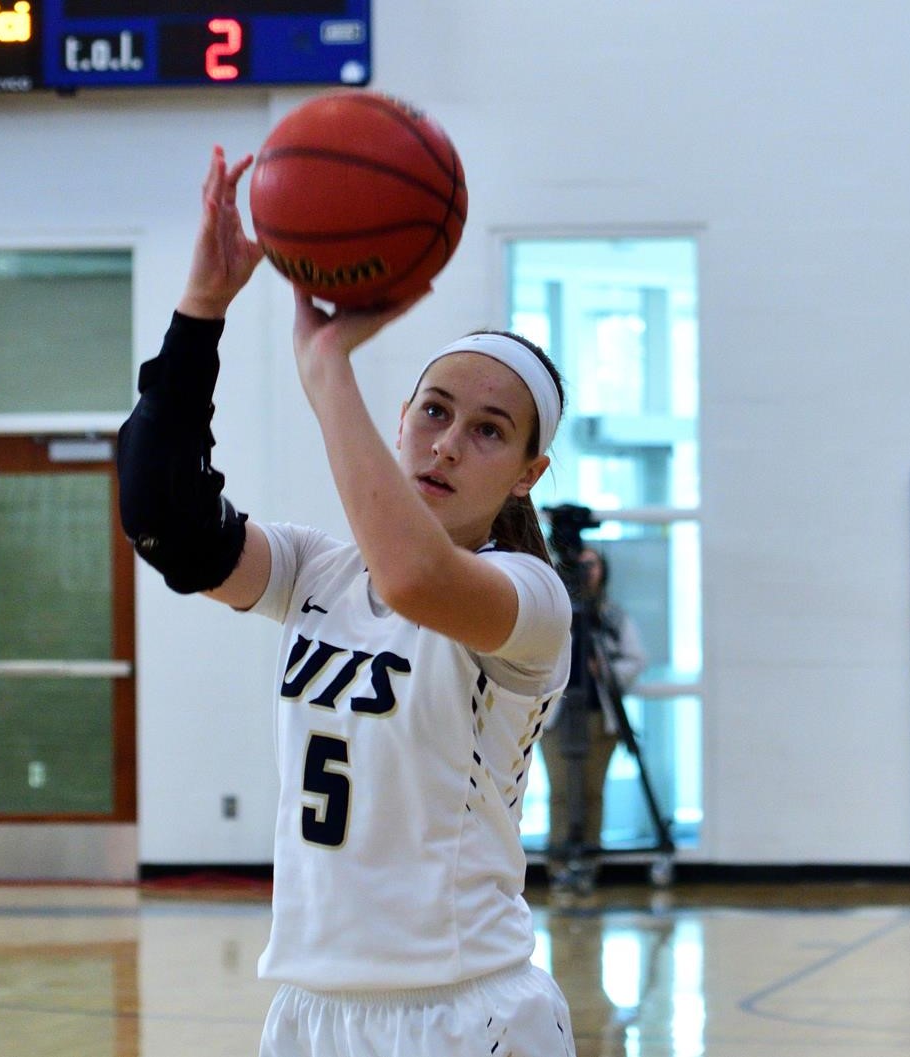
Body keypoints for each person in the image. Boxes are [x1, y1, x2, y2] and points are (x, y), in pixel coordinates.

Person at [118, 146, 576, 1057]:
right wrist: (202, 308)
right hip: (313, 1012)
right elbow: (163, 519)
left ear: (529, 475)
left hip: (467, 1009)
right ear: (402, 417)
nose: (447, 444)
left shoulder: (531, 602)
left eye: (488, 431)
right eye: (435, 411)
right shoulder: (315, 574)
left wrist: (327, 367)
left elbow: (412, 577)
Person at [540, 545, 648, 888]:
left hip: (599, 718)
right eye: (580, 564)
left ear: (603, 571)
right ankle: (558, 863)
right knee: (559, 791)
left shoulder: (612, 617)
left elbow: (636, 659)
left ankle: (588, 861)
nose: (586, 572)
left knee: (591, 791)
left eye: (592, 565)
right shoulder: (549, 614)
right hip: (557, 717)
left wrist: (605, 669)